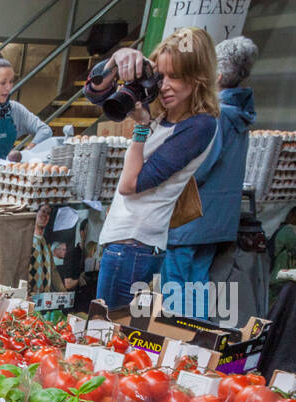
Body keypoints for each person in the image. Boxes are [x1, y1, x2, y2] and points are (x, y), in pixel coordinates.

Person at [88, 28, 220, 310]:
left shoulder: (199, 125)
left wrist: (140, 127)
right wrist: (116, 62)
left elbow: (130, 185)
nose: (165, 86)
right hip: (129, 244)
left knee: (108, 333)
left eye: (176, 76)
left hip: (134, 245)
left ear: (199, 79)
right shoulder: (164, 112)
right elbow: (95, 92)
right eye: (161, 75)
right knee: (114, 333)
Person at [161, 36, 258, 320]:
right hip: (216, 219)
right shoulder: (239, 115)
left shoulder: (213, 116)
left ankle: (179, 345)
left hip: (190, 218)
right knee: (198, 285)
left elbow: (197, 168)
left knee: (177, 287)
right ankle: (197, 346)